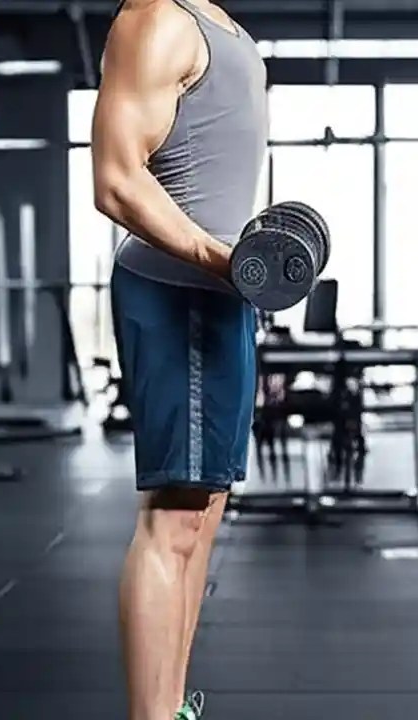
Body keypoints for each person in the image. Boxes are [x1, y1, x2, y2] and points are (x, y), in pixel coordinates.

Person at [91, 0, 266, 718]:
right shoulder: (156, 18)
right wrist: (217, 259)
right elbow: (115, 179)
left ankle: (172, 706)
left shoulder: (224, 27)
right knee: (173, 521)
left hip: (222, 297)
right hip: (180, 294)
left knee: (202, 512)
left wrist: (240, 273)